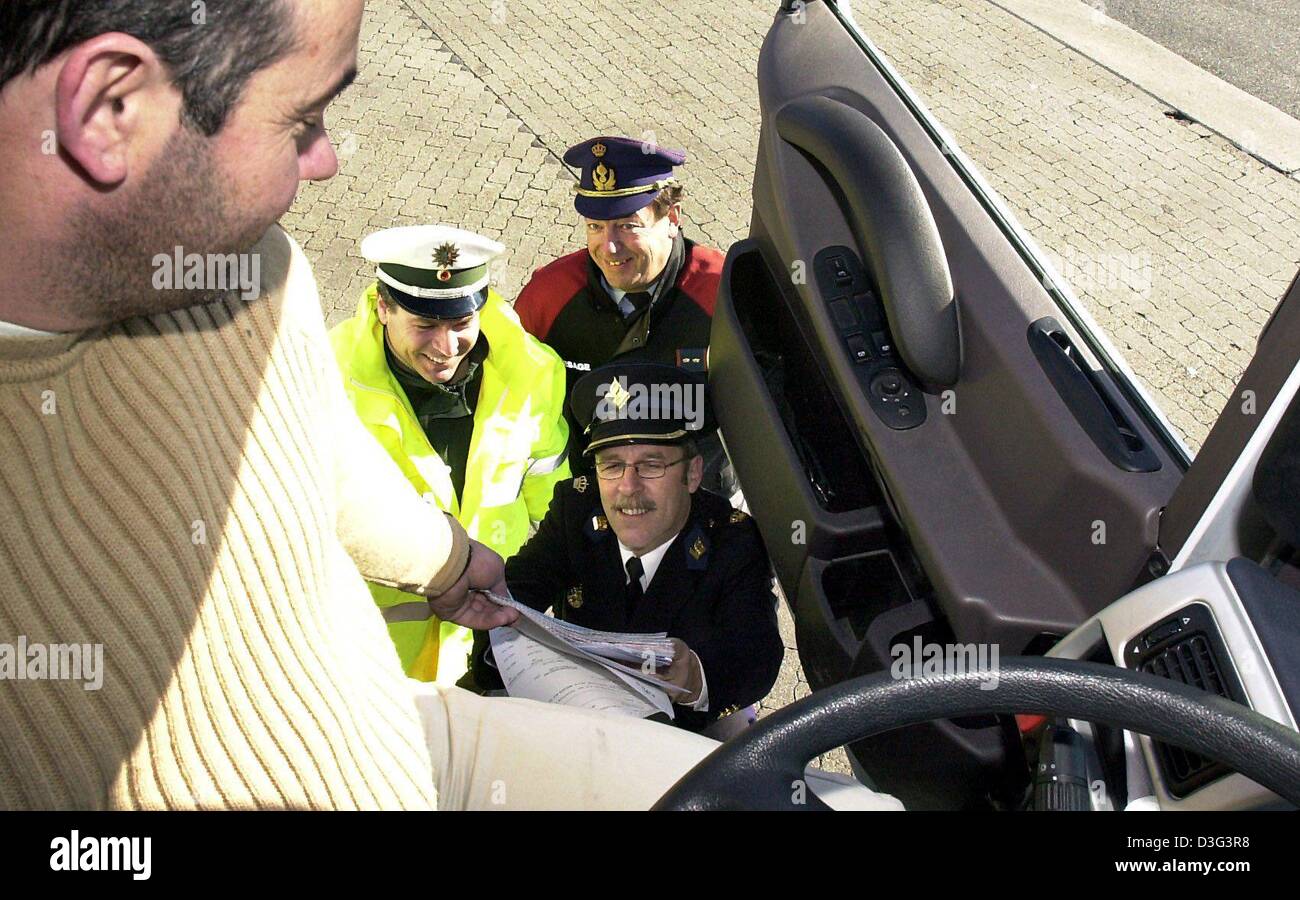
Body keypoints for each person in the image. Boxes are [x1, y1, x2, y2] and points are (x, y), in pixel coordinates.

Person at [0, 0, 898, 811]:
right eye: (302, 118)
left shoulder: (245, 270)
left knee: (840, 807)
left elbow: (309, 445)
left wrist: (447, 560)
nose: (328, 161)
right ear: (109, 108)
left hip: (406, 734)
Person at [475, 363, 784, 733]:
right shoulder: (577, 510)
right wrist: (494, 655)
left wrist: (693, 676)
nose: (628, 487)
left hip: (686, 726)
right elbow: (516, 592)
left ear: (693, 473)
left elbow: (755, 654)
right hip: (581, 712)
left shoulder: (733, 540)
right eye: (611, 465)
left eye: (651, 465)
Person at [330, 225, 569, 684]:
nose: (446, 348)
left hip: (497, 636)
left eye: (461, 323)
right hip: (372, 659)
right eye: (424, 325)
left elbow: (551, 492)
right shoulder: (326, 381)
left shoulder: (533, 373)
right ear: (383, 307)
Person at [512, 137, 734, 488]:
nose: (609, 248)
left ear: (672, 217)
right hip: (591, 495)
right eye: (595, 227)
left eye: (627, 225)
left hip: (701, 497)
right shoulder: (547, 297)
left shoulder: (724, 294)